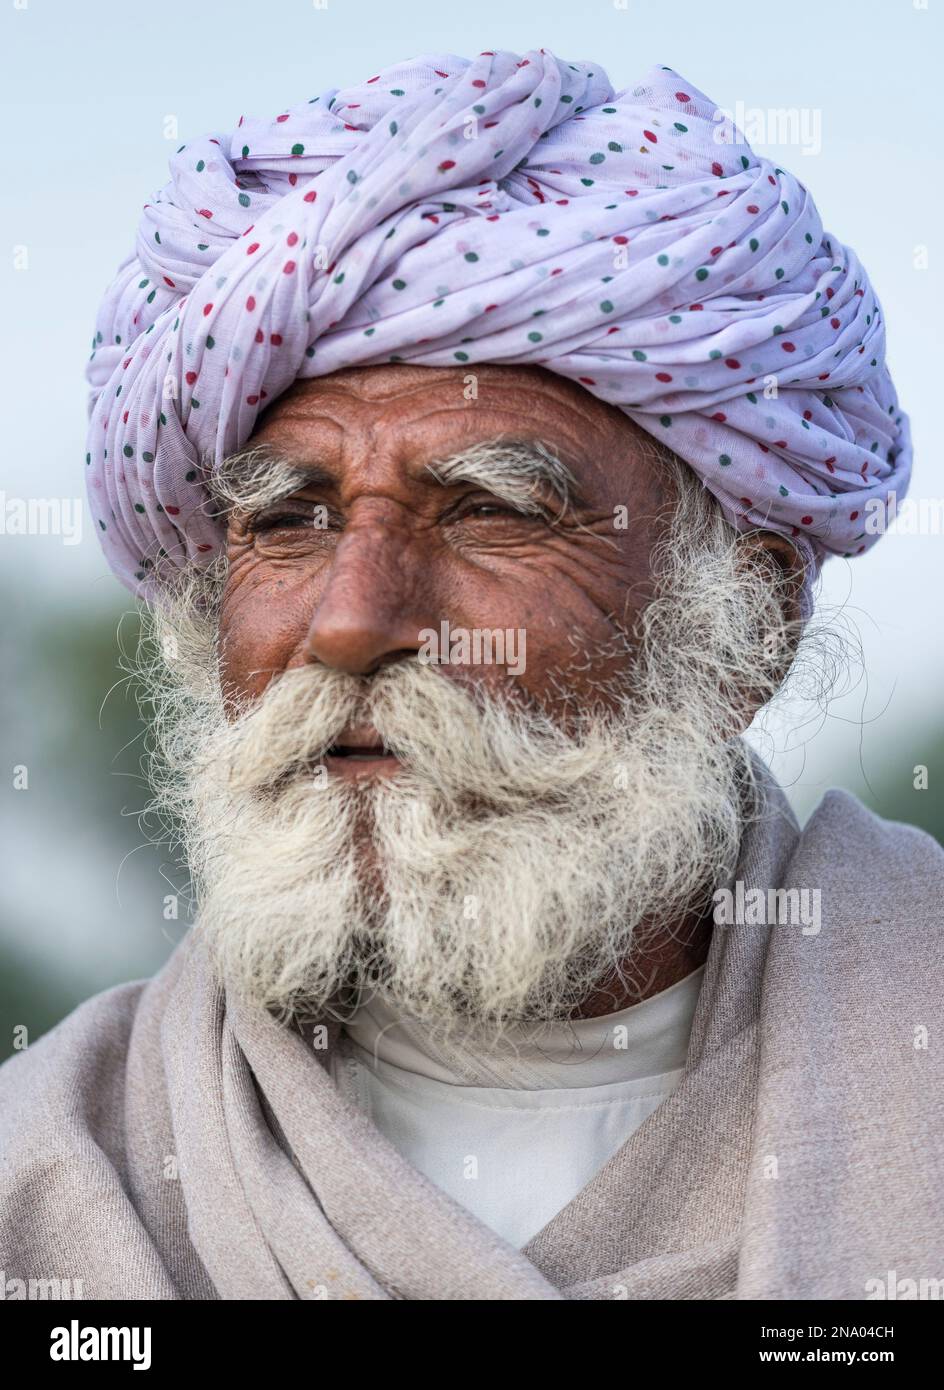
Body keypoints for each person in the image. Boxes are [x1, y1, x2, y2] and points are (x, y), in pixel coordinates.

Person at [2, 50, 940, 1302]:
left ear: (751, 631)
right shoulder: (50, 1186)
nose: (351, 620)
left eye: (490, 510)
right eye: (287, 521)